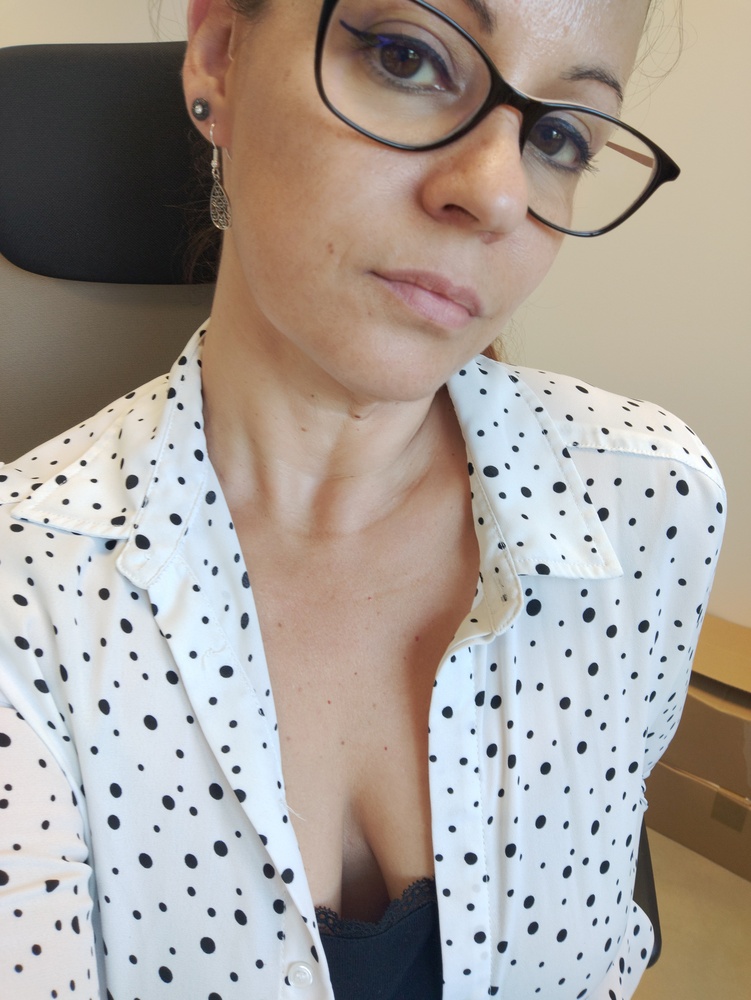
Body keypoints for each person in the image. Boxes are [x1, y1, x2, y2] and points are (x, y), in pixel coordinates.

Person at [0, 0, 725, 997]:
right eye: (407, 57)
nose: (497, 192)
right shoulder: (25, 594)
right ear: (219, 54)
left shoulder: (647, 501)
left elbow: (599, 954)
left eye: (558, 135)